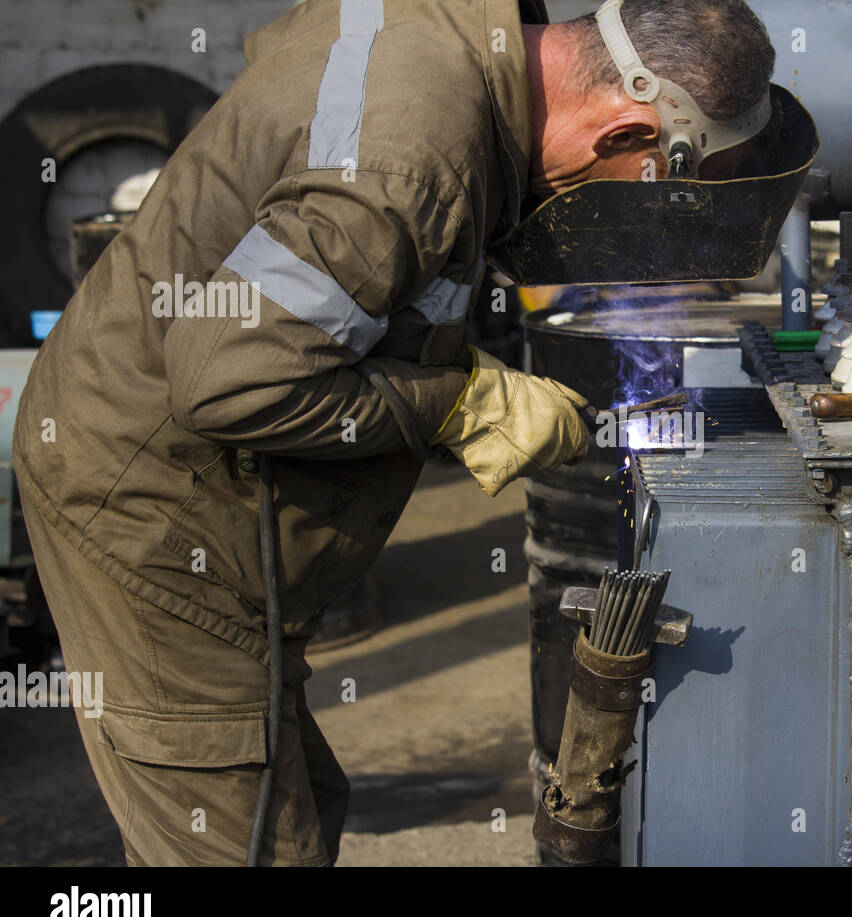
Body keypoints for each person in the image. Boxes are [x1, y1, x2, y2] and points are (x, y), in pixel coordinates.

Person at [12, 0, 777, 866]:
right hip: (151, 512)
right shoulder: (410, 164)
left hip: (174, 467)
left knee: (301, 798)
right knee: (251, 841)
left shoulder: (464, 40)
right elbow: (232, 380)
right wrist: (459, 403)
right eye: (652, 187)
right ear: (625, 131)